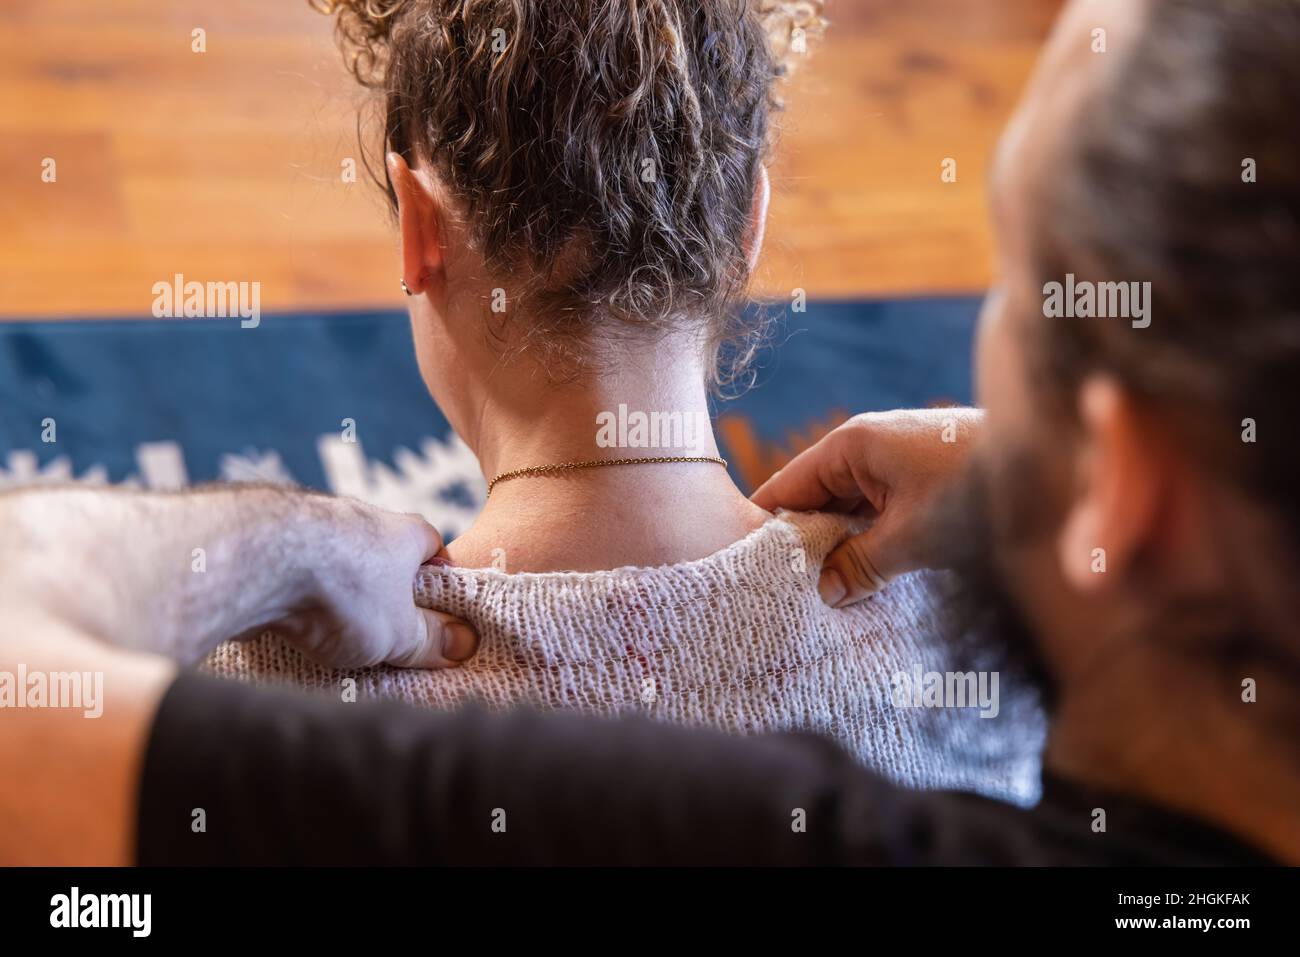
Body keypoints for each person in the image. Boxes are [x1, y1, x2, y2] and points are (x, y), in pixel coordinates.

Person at [3, 0, 1297, 866]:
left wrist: (282, 542)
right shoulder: (980, 641)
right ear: (748, 231)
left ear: (420, 227)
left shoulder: (300, 703)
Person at [205, 0, 1042, 807]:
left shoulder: (264, 704)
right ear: (748, 224)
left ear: (419, 227)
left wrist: (247, 561)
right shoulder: (1003, 608)